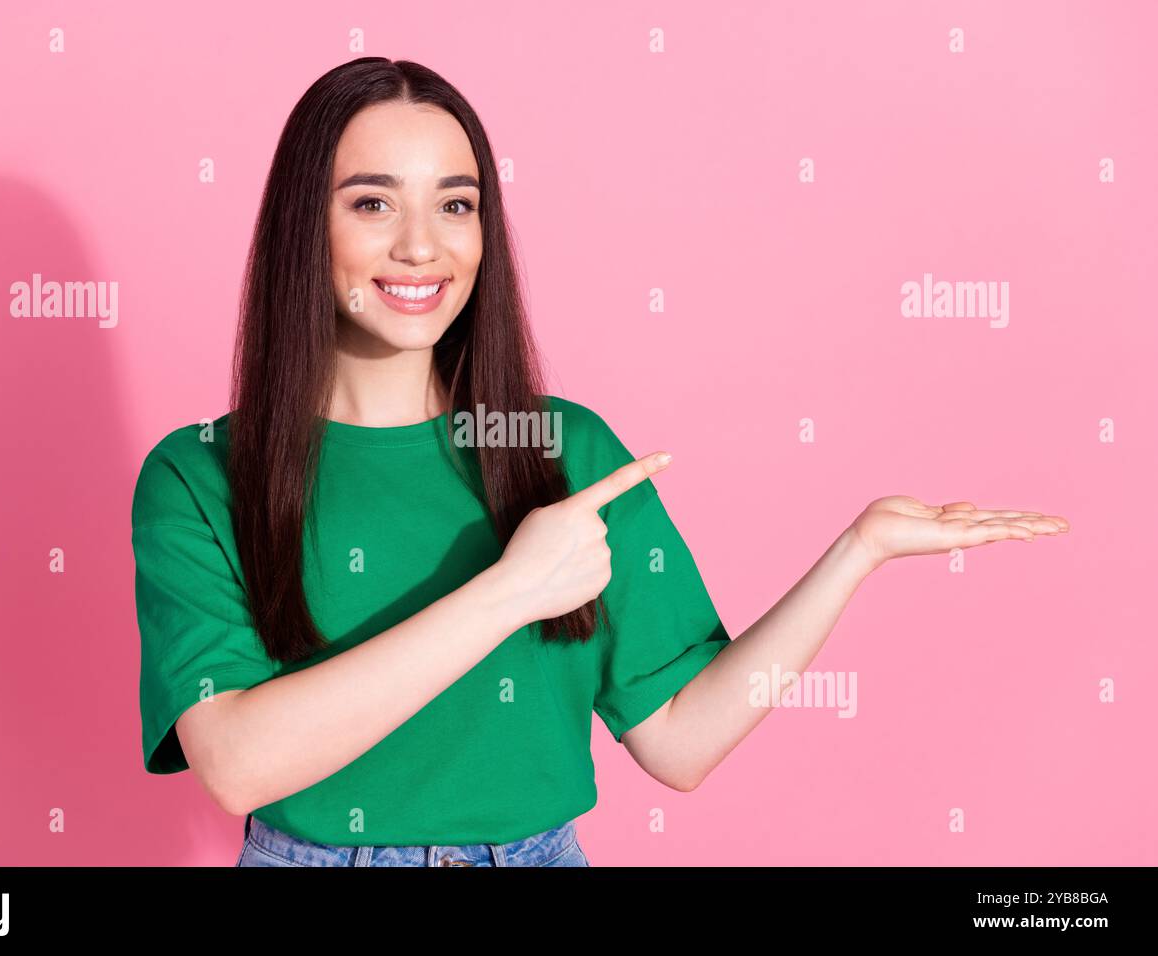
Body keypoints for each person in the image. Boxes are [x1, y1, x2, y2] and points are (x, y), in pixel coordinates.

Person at [130, 57, 1069, 868]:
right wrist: (512, 589)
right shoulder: (200, 474)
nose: (422, 245)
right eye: (373, 202)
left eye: (456, 204)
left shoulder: (562, 450)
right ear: (306, 225)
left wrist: (856, 553)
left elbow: (681, 743)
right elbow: (239, 763)